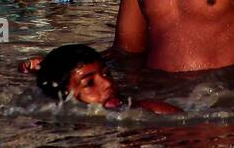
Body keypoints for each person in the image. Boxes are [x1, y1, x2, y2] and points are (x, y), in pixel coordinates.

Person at [20, 46, 179, 113]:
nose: (108, 83)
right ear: (64, 96)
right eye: (89, 83)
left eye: (107, 74)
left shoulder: (143, 108)